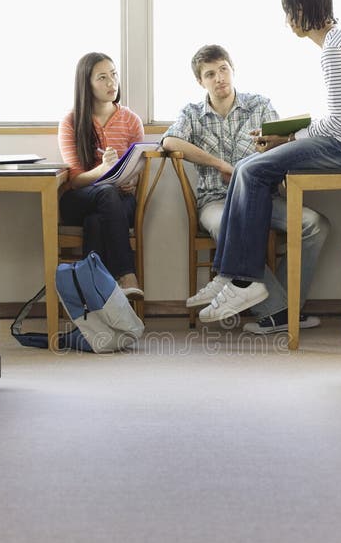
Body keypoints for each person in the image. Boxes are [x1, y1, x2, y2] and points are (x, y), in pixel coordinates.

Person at [196, 0, 341, 329]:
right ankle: (233, 276)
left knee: (251, 169)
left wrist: (291, 138)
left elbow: (340, 121)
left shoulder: (333, 50)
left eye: (287, 12)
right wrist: (294, 136)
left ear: (300, 10)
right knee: (248, 166)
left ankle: (243, 279)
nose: (286, 21)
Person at [161, 44, 323, 330]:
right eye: (210, 74)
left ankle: (281, 309)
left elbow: (282, 144)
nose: (219, 77)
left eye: (223, 69)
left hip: (260, 198)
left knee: (314, 224)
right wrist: (223, 167)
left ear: (232, 70)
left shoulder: (259, 105)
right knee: (229, 225)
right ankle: (280, 313)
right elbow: (170, 142)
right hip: (215, 201)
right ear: (201, 81)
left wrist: (269, 151)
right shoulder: (192, 114)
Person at [58, 51, 145, 297]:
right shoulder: (71, 121)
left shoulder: (131, 120)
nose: (112, 83)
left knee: (96, 221)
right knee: (106, 192)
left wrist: (132, 181)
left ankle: (93, 296)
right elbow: (75, 180)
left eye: (114, 75)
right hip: (80, 199)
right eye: (102, 77)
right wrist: (103, 170)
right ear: (86, 84)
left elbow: (138, 170)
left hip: (119, 202)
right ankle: (126, 274)